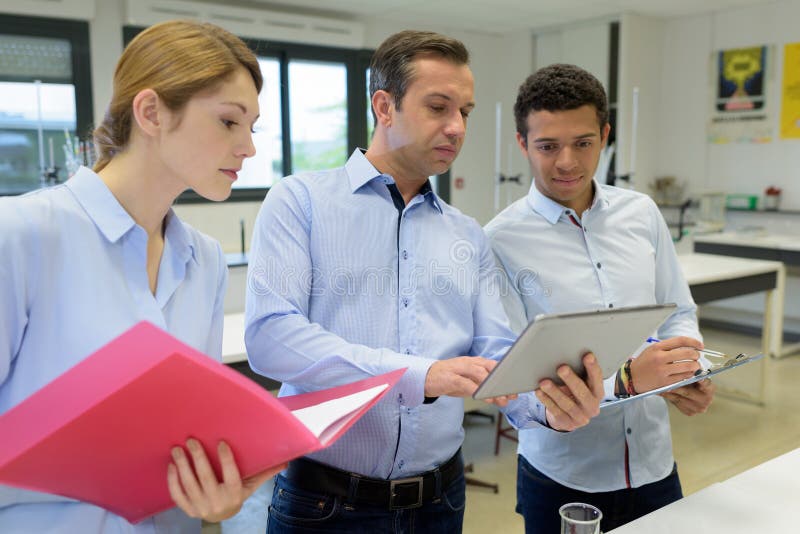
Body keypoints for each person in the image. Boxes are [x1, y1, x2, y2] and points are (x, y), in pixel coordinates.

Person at [245, 32, 606, 533]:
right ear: (384, 106)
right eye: (438, 107)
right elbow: (271, 338)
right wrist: (419, 374)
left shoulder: (467, 235)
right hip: (324, 504)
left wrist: (549, 407)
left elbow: (497, 353)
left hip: (440, 503)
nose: (456, 127)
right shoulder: (300, 203)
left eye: (466, 111)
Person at [0, 20, 285, 533]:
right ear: (151, 112)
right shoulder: (21, 236)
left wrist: (216, 498)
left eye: (252, 128)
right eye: (228, 122)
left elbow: (190, 435)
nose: (248, 148)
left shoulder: (204, 260)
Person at [484, 63, 716, 533]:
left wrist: (684, 372)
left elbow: (678, 312)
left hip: (654, 465)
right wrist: (627, 381)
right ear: (522, 143)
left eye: (583, 143)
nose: (567, 161)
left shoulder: (642, 213)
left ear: (605, 135)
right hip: (562, 477)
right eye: (548, 146)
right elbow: (513, 377)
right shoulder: (498, 241)